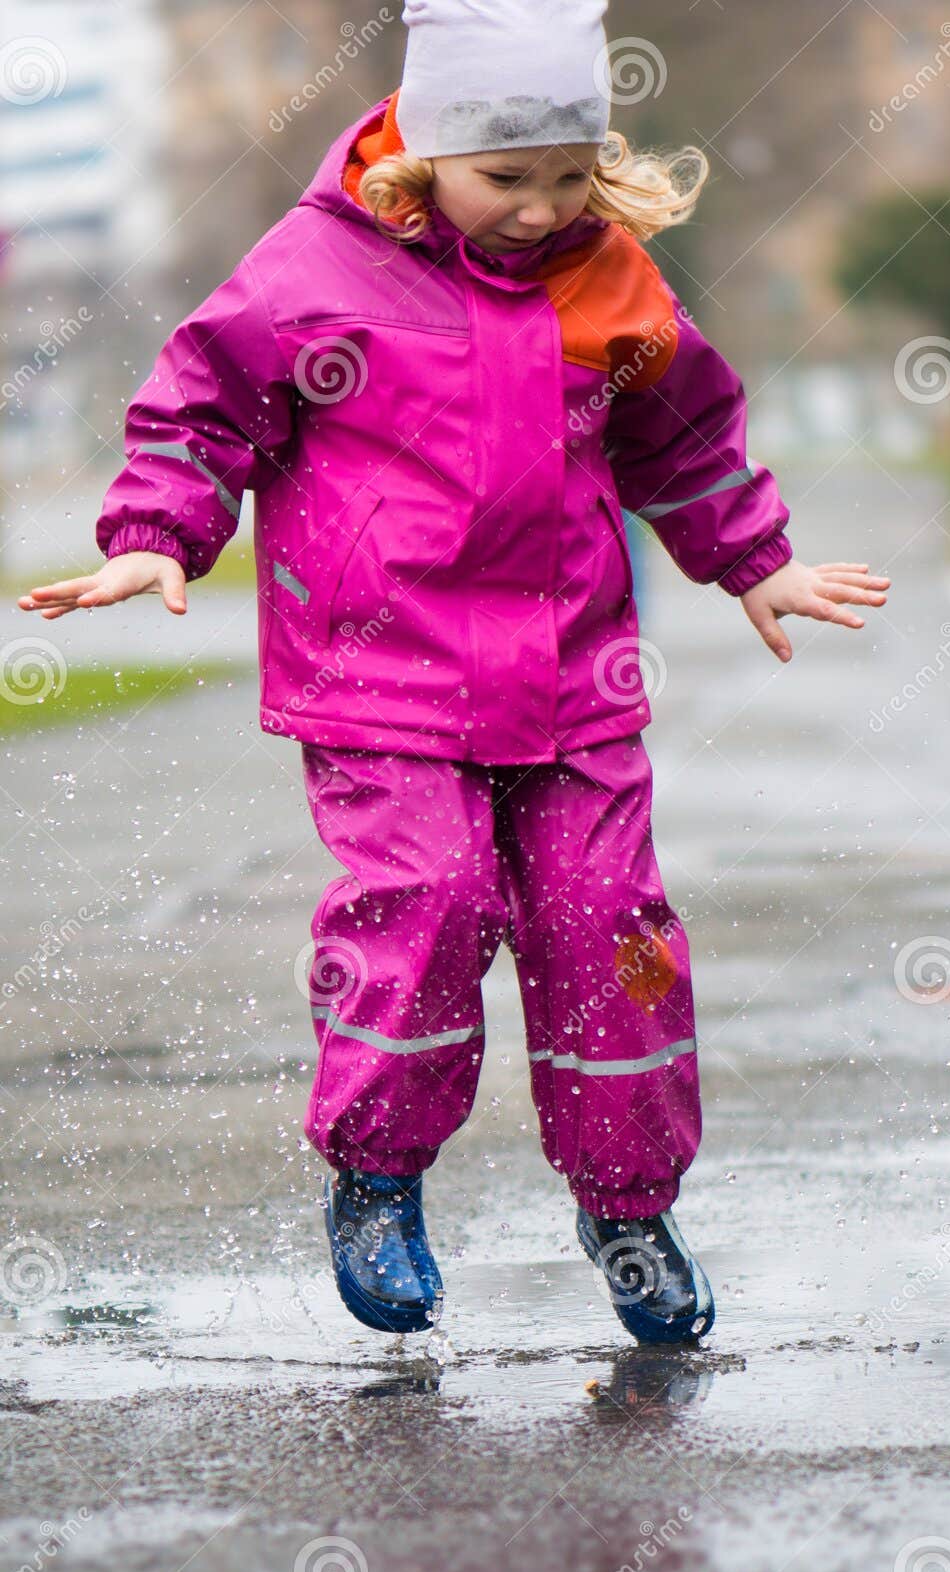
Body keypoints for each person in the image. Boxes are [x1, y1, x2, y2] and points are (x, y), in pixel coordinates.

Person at [17, 0, 890, 1346]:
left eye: (566, 177)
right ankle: (376, 1178)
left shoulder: (606, 276)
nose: (541, 211)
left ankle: (629, 1203)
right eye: (506, 180)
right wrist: (153, 533)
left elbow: (683, 433)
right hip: (383, 678)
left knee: (612, 927)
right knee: (425, 901)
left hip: (572, 678)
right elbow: (201, 405)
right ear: (419, 156)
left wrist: (753, 559)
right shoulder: (314, 266)